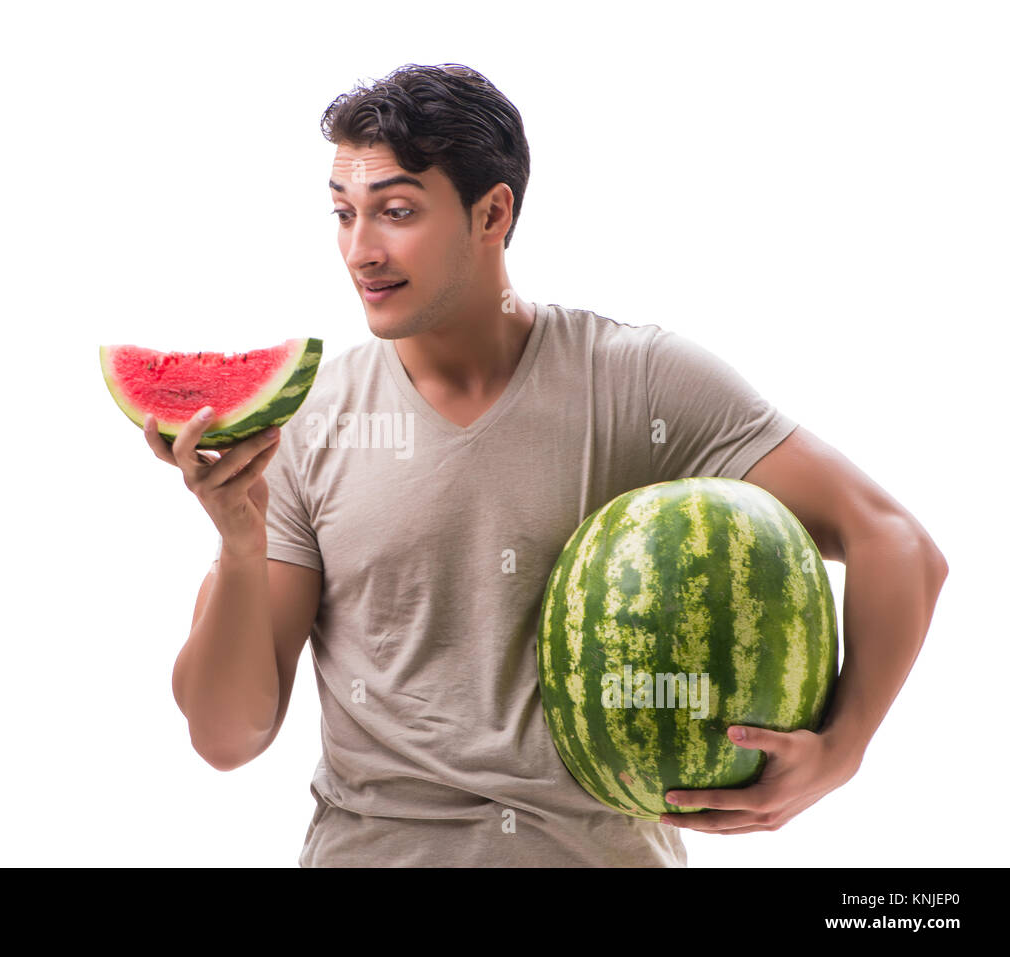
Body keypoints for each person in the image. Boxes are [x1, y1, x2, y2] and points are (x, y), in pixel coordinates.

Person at [153, 63, 948, 866]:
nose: (361, 249)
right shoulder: (311, 420)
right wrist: (238, 543)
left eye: (396, 212)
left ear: (492, 211)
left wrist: (842, 748)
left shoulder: (640, 381)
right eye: (342, 213)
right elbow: (227, 738)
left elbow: (896, 543)